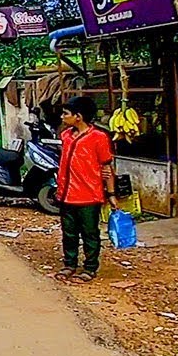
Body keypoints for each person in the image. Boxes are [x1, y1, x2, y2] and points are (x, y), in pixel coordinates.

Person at [55, 96, 116, 283]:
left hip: (89, 195)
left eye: (66, 114)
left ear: (78, 116)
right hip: (66, 194)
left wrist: (111, 194)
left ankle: (90, 267)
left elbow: (106, 167)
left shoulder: (98, 138)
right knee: (69, 232)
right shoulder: (65, 136)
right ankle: (70, 264)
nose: (62, 117)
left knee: (90, 233)